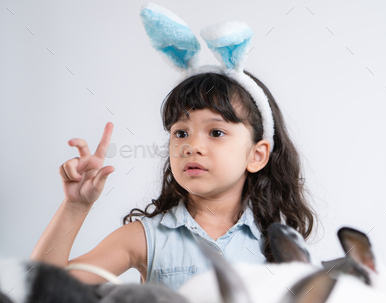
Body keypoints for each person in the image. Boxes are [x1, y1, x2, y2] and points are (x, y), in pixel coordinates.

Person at [30, 71, 316, 291]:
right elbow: (42, 293)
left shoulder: (278, 243)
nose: (192, 146)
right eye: (181, 133)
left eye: (216, 132)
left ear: (257, 155)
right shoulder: (145, 237)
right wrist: (75, 206)